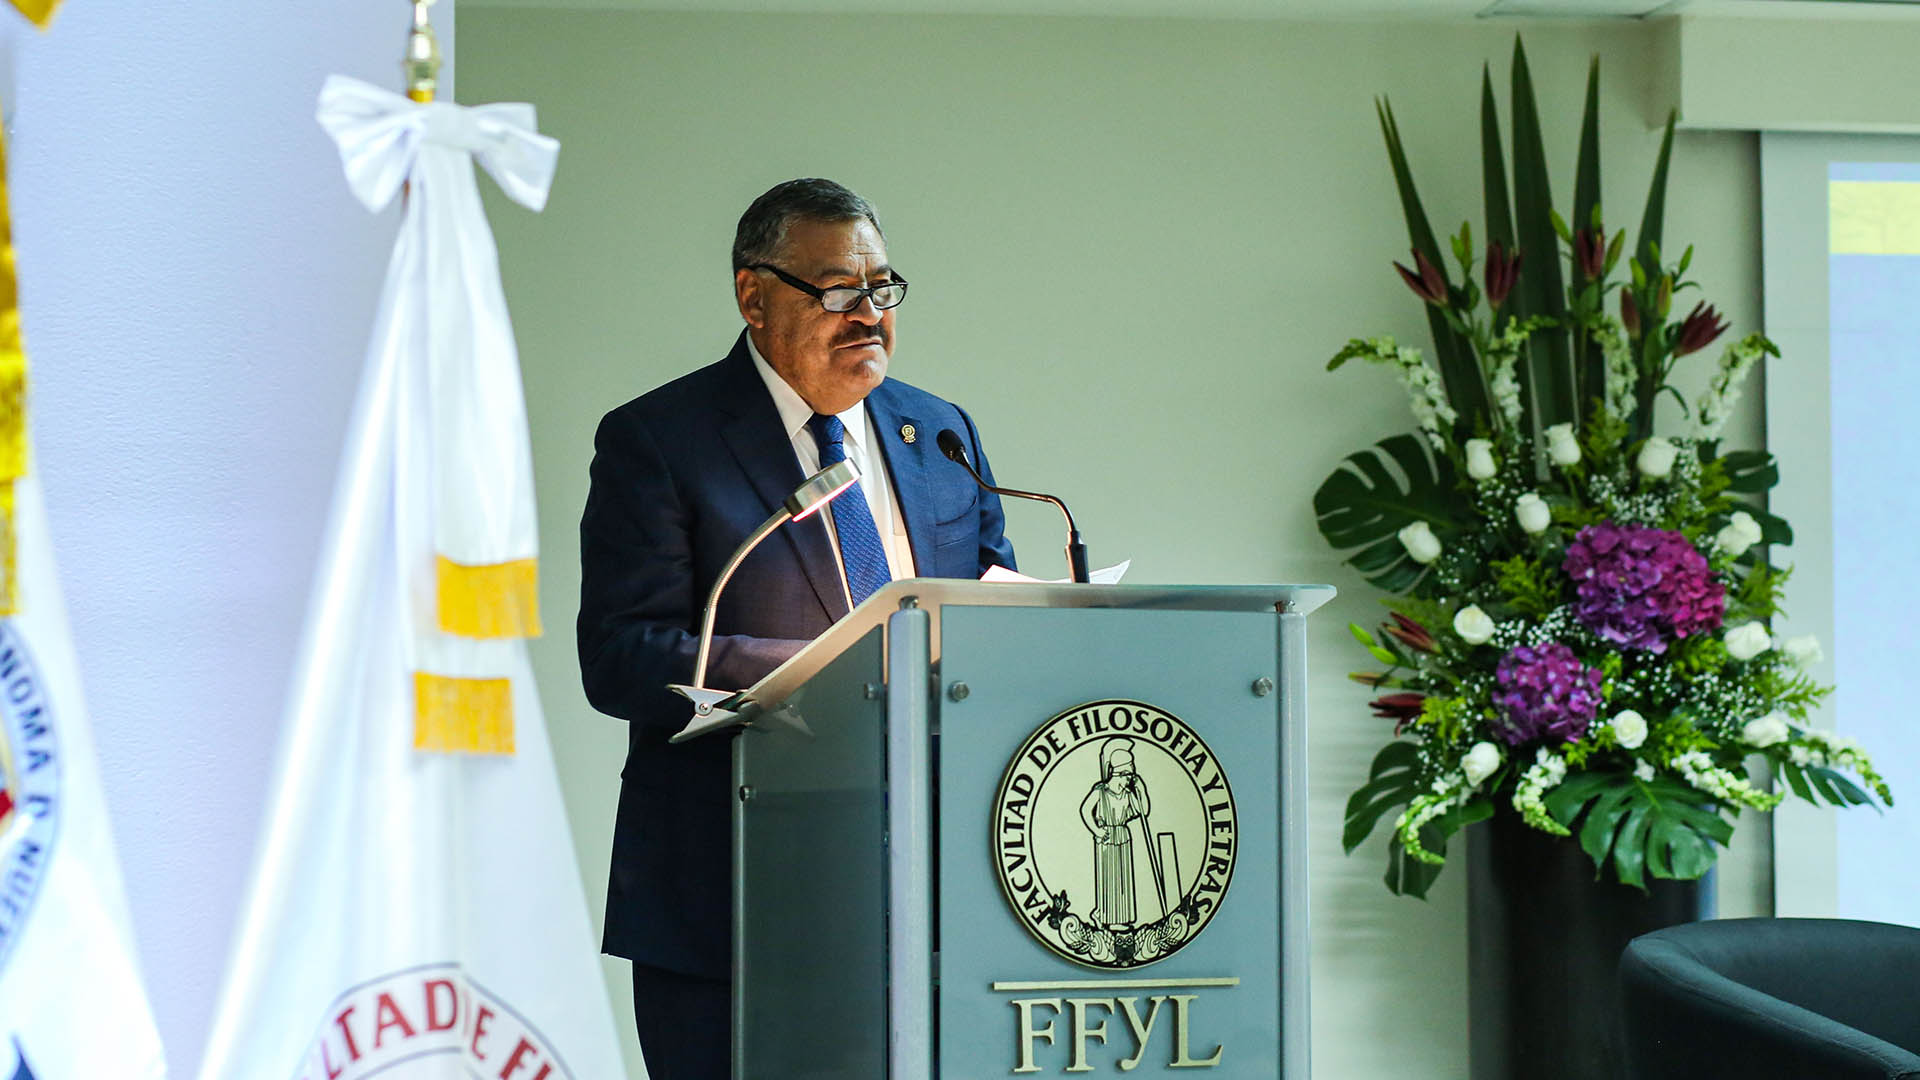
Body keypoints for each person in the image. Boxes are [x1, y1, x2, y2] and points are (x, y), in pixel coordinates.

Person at [577, 178, 1017, 1078]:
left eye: (882, 288)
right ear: (754, 295)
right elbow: (623, 655)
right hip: (731, 897)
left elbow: (986, 604)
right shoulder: (660, 439)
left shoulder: (940, 433)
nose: (868, 314)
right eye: (836, 289)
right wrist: (834, 668)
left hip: (932, 895)